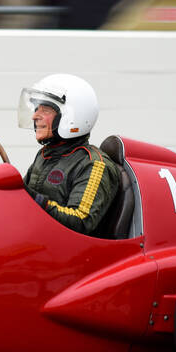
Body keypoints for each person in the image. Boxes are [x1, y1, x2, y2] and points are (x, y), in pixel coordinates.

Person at [19, 74, 118, 236]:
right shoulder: (44, 155)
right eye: (37, 108)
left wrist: (37, 201)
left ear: (72, 116)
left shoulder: (94, 164)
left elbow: (81, 221)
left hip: (71, 255)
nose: (35, 116)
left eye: (45, 109)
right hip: (38, 241)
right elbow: (21, 199)